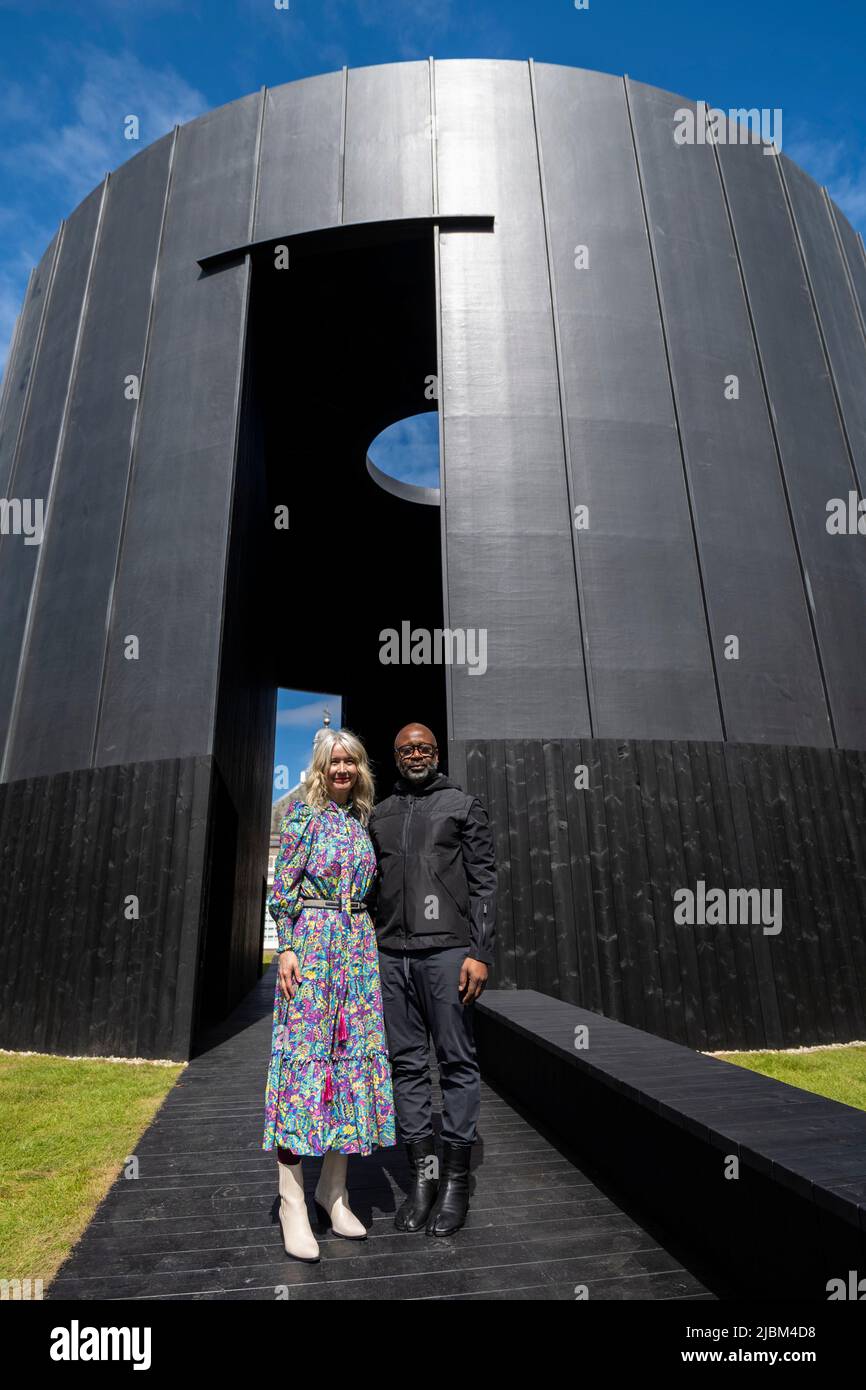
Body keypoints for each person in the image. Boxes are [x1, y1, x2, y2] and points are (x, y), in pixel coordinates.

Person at [262, 728, 396, 1261]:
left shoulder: (363, 821)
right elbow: (282, 890)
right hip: (313, 950)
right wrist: (288, 947)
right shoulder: (302, 818)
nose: (342, 769)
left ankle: (333, 1193)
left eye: (350, 762)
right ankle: (292, 1203)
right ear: (321, 767)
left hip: (358, 952)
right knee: (304, 1068)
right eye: (333, 761)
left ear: (360, 768)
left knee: (348, 1068)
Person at [367, 723, 496, 1237]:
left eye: (423, 747)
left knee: (457, 1063)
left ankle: (456, 1184)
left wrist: (479, 953)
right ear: (396, 757)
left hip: (447, 955)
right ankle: (424, 1180)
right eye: (406, 749)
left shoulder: (463, 806)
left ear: (435, 753)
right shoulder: (379, 815)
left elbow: (485, 882)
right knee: (406, 1066)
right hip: (390, 955)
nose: (416, 753)